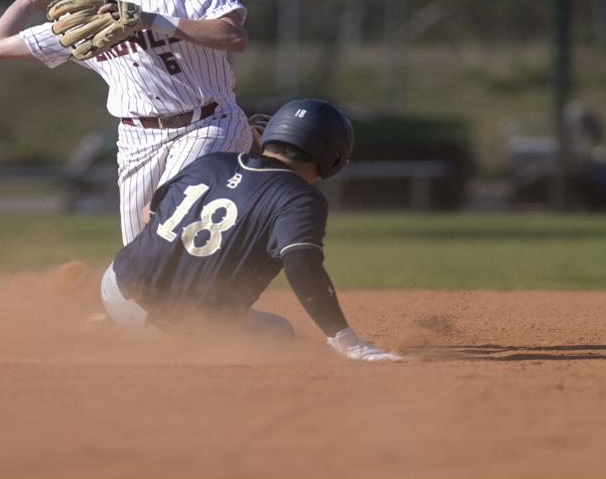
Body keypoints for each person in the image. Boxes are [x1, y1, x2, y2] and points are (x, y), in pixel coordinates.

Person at [100, 99, 403, 363]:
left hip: (115, 290)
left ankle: (112, 325)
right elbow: (301, 264)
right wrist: (346, 340)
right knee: (279, 333)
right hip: (179, 329)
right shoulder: (300, 197)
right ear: (333, 159)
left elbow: (148, 215)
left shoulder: (211, 162)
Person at [0, 0, 257, 245]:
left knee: (163, 213)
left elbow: (233, 36)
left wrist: (148, 19)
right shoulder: (83, 16)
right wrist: (26, 2)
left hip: (209, 122)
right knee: (137, 250)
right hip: (137, 138)